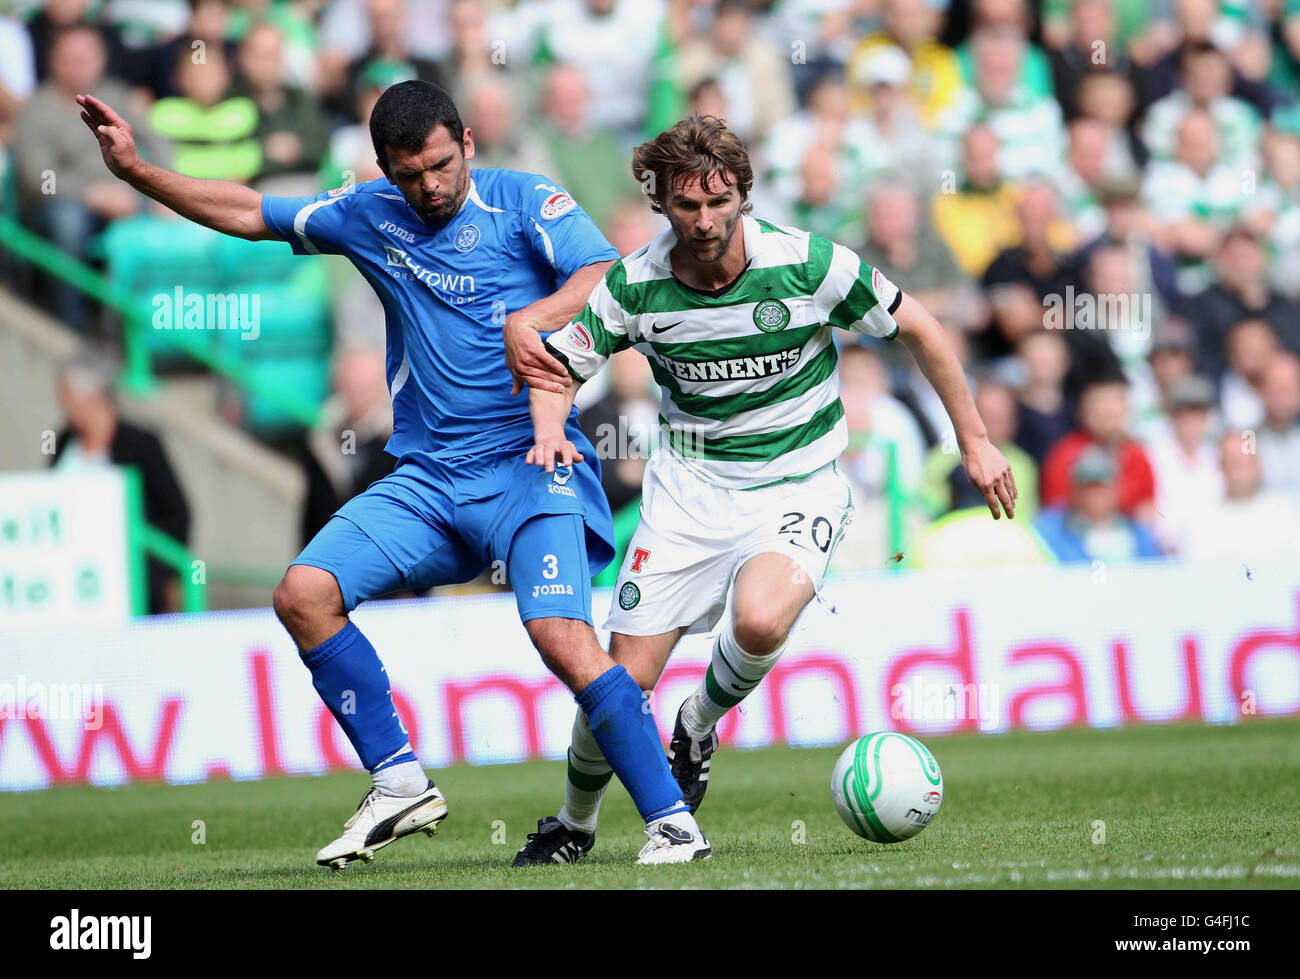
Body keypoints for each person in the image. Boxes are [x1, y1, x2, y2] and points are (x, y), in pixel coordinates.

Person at [78, 79, 709, 867]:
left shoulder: (526, 202)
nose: (431, 187)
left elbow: (605, 276)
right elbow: (249, 213)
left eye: (443, 165)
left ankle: (673, 823)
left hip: (529, 465)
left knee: (561, 636)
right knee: (303, 594)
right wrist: (139, 174)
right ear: (383, 167)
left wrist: (530, 318)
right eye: (410, 175)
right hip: (429, 479)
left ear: (467, 144)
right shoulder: (369, 213)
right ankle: (399, 776)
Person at [507, 114, 1016, 865]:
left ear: (744, 194)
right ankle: (572, 824)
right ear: (663, 205)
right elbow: (559, 366)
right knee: (617, 685)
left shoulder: (807, 264)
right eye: (687, 206)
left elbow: (925, 330)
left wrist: (972, 437)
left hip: (797, 482)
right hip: (688, 495)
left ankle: (699, 720)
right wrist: (548, 427)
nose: (705, 220)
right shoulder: (635, 284)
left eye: (719, 202)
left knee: (761, 619)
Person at [50, 355, 191, 614]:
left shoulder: (141, 444)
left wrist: (169, 575)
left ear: (92, 396)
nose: (64, 404)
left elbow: (176, 512)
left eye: (69, 396)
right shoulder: (61, 443)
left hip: (132, 580)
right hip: (74, 584)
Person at [1034, 446, 1162, 563]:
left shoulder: (1139, 534)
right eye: (1089, 488)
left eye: (1102, 487)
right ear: (1075, 492)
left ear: (1117, 490)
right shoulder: (1053, 532)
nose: (1096, 496)